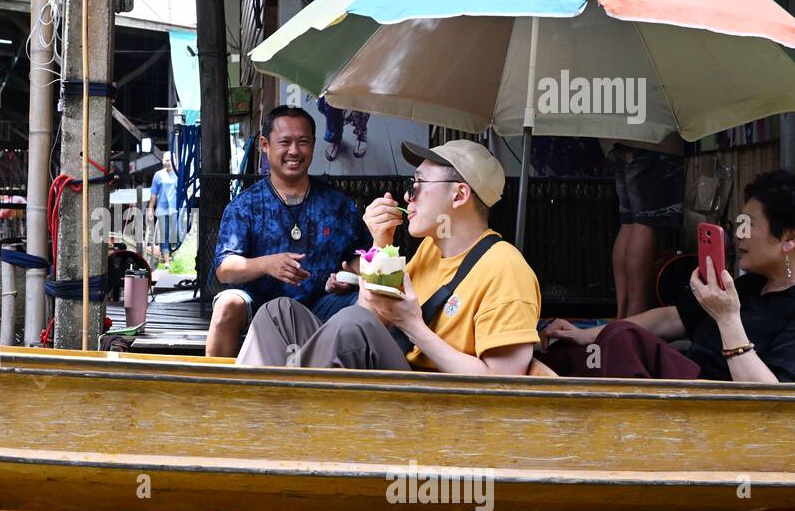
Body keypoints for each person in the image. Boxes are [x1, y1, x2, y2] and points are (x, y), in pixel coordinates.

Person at [237, 140, 541, 375]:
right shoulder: (431, 250)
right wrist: (380, 243)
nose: (408, 196)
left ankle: (281, 415)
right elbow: (374, 316)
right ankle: (260, 410)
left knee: (351, 324)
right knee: (279, 314)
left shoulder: (505, 268)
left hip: (434, 406)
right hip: (395, 374)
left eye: (418, 184)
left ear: (459, 195)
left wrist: (414, 327)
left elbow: (503, 384)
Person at [543, 170, 795, 383]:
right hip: (683, 385)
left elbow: (772, 399)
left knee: (623, 342)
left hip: (717, 411)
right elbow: (670, 318)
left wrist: (728, 319)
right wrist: (585, 333)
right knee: (575, 350)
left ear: (788, 238)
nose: (739, 234)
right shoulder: (749, 284)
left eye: (749, 224)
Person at [208, 105, 370, 357]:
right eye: (285, 142)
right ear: (265, 144)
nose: (294, 151)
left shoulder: (337, 203)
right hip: (260, 304)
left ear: (314, 144)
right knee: (227, 306)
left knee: (370, 302)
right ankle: (218, 392)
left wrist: (346, 277)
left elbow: (362, 256)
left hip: (323, 302)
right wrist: (266, 264)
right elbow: (224, 268)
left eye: (303, 142)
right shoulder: (246, 205)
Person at [604, 138, 686, 318]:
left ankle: (623, 316)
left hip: (618, 138)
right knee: (646, 222)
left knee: (629, 222)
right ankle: (637, 316)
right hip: (652, 139)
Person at [148, 150, 180, 264]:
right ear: (162, 161)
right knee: (164, 235)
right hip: (162, 209)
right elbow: (154, 193)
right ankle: (167, 262)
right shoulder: (158, 175)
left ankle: (172, 255)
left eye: (170, 160)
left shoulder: (179, 174)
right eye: (166, 160)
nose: (168, 162)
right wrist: (150, 209)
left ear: (175, 161)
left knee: (176, 233)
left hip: (175, 208)